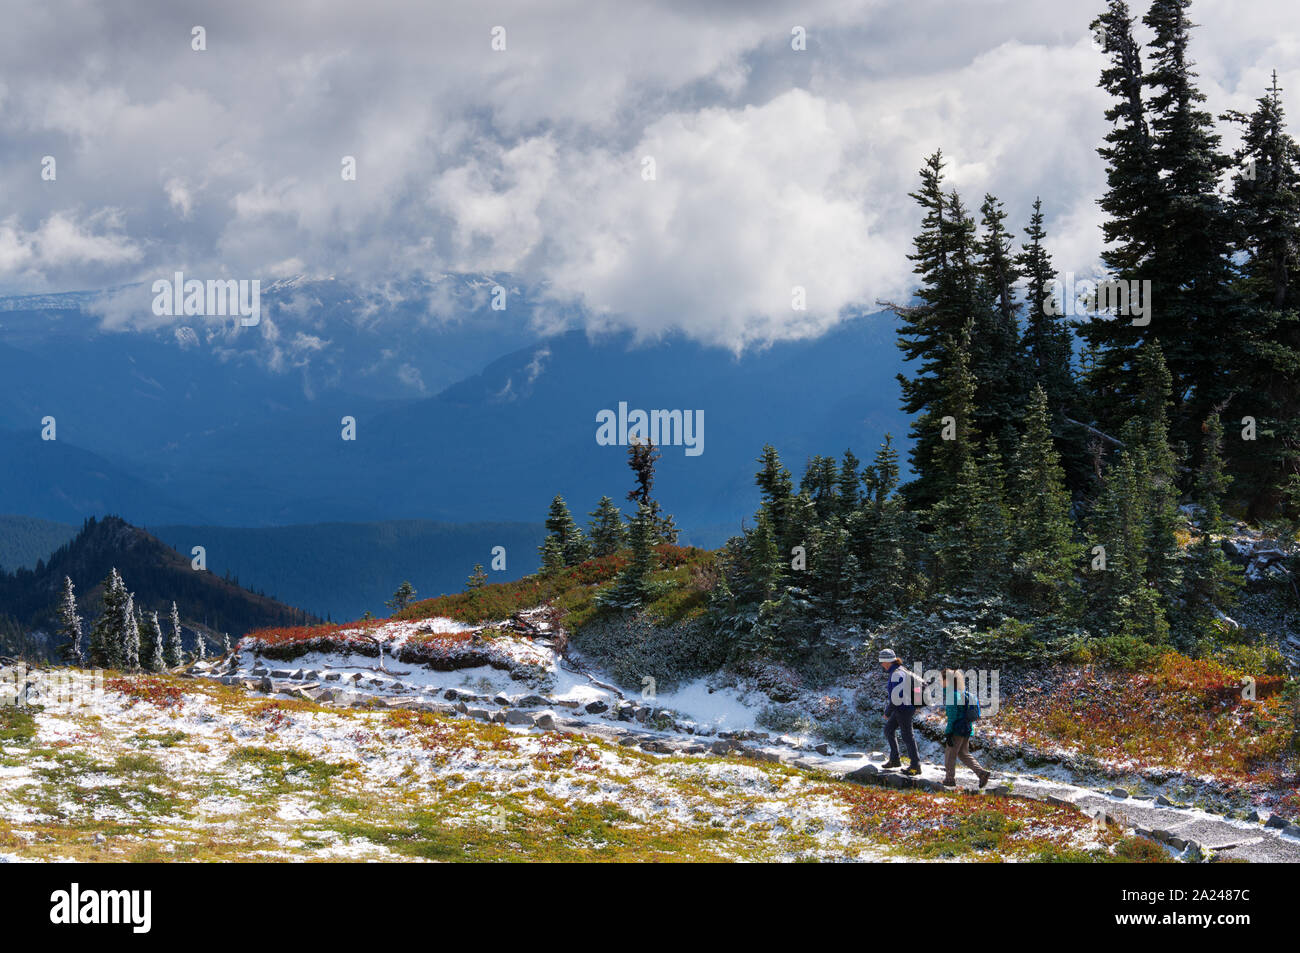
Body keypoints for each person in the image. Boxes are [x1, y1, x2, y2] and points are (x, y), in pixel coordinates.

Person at [941, 668, 990, 789]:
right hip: (967, 728)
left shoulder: (952, 695)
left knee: (950, 754)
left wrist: (948, 732)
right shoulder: (964, 693)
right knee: (963, 753)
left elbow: (952, 716)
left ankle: (949, 779)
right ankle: (981, 773)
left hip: (957, 729)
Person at [879, 648, 923, 776]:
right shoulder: (902, 670)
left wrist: (887, 712)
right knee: (888, 730)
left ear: (887, 661)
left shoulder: (897, 674)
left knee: (907, 736)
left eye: (882, 662)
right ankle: (895, 760)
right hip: (904, 707)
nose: (882, 665)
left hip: (904, 708)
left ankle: (915, 766)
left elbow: (896, 697)